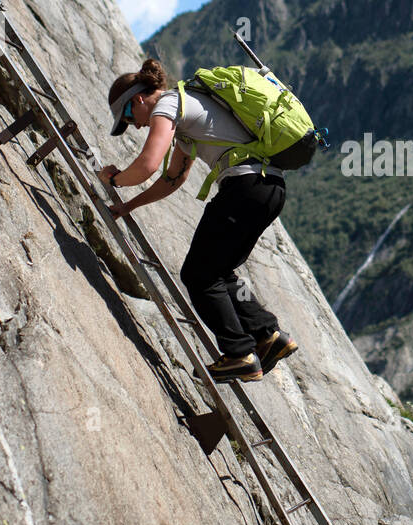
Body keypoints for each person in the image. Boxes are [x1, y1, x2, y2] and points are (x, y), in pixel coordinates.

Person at [99, 57, 297, 383]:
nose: (134, 126)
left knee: (198, 275)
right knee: (219, 272)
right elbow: (172, 179)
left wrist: (115, 181)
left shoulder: (167, 105)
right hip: (269, 189)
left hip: (244, 188)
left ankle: (239, 355)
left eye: (129, 117)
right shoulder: (190, 106)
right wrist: (128, 206)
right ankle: (269, 336)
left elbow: (150, 164)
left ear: (137, 99)